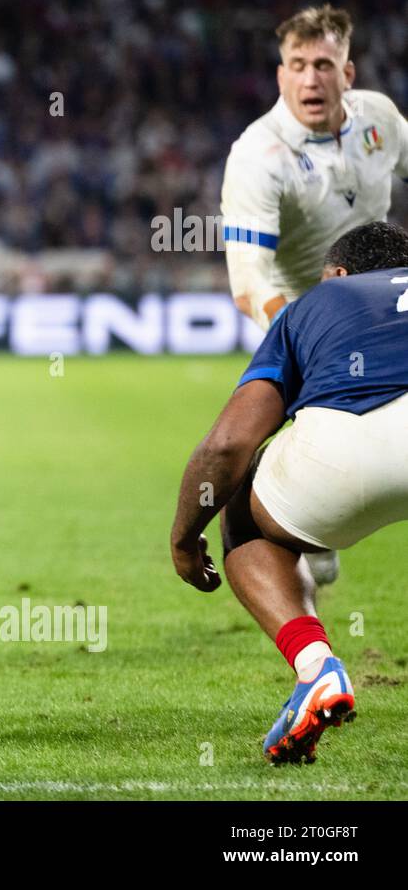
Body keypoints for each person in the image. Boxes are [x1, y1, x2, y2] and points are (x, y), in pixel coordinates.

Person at [170, 221, 408, 763]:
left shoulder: (319, 302)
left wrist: (185, 539)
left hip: (349, 453)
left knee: (244, 507)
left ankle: (316, 667)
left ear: (339, 273)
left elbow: (227, 447)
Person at [219, 4, 408, 585]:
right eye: (297, 64)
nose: (310, 78)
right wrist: (301, 337)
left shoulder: (380, 120)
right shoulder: (259, 154)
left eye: (323, 64)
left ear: (347, 73)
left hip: (386, 307)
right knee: (253, 481)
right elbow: (251, 279)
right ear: (280, 76)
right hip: (310, 319)